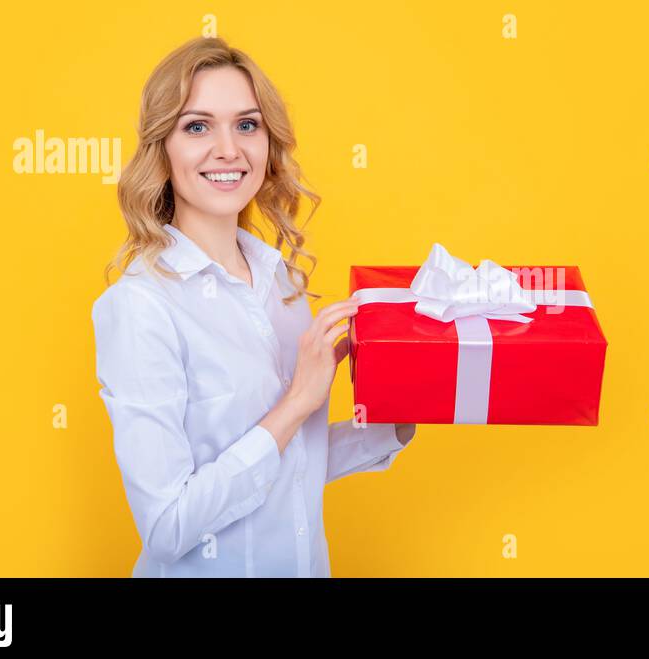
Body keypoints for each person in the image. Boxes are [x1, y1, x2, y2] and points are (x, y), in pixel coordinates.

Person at [92, 36, 415, 577]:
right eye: (198, 126)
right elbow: (168, 526)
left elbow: (292, 464)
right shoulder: (140, 307)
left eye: (247, 124)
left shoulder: (281, 284)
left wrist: (405, 407)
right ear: (161, 148)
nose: (228, 149)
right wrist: (296, 403)